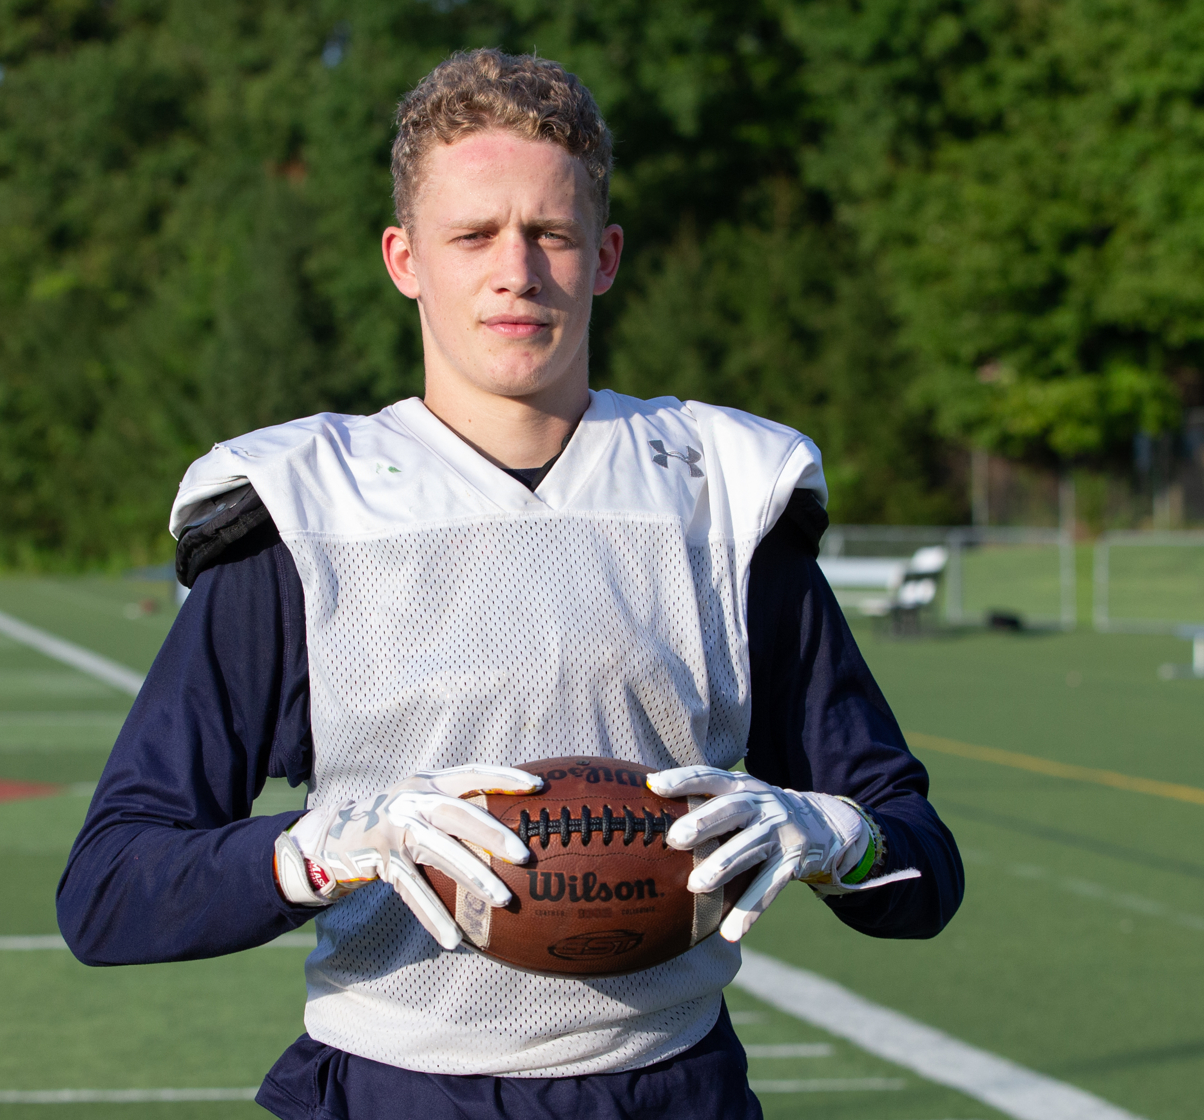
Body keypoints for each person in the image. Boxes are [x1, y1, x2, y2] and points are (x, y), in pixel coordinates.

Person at [57, 48, 963, 1120]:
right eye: (473, 234)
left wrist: (835, 838)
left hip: (671, 1086)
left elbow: (920, 873)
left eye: (551, 233)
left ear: (605, 256)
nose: (516, 271)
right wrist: (325, 849)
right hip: (393, 1088)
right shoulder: (302, 510)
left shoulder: (720, 493)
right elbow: (110, 892)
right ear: (404, 258)